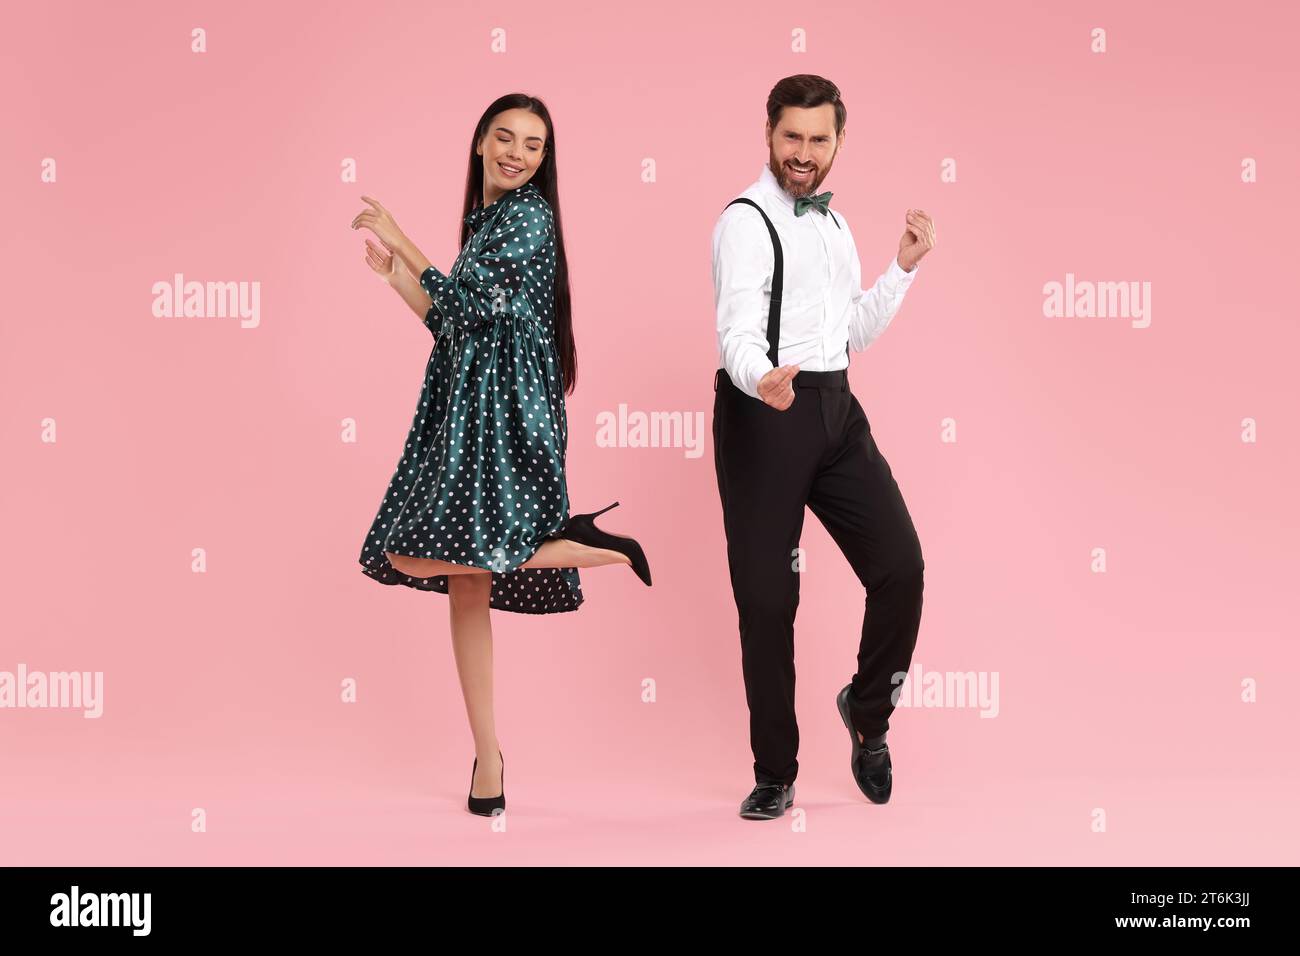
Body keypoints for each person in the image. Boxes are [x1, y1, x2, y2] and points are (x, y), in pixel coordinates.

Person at [352, 93, 652, 817]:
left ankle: (589, 544)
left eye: (534, 145)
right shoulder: (487, 221)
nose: (519, 153)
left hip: (505, 415)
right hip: (469, 408)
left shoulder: (527, 217)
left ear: (545, 160)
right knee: (462, 579)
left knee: (430, 554)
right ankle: (489, 758)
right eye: (507, 138)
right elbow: (453, 321)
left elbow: (458, 307)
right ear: (480, 144)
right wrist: (397, 274)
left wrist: (403, 235)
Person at [711, 74, 936, 819]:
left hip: (837, 410)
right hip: (764, 412)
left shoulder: (836, 227)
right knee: (770, 601)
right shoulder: (746, 221)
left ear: (839, 141)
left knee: (901, 567)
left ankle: (868, 714)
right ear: (768, 133)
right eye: (791, 137)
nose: (803, 154)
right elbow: (738, 327)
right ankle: (776, 772)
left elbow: (852, 335)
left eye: (818, 139)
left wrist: (901, 269)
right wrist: (757, 378)